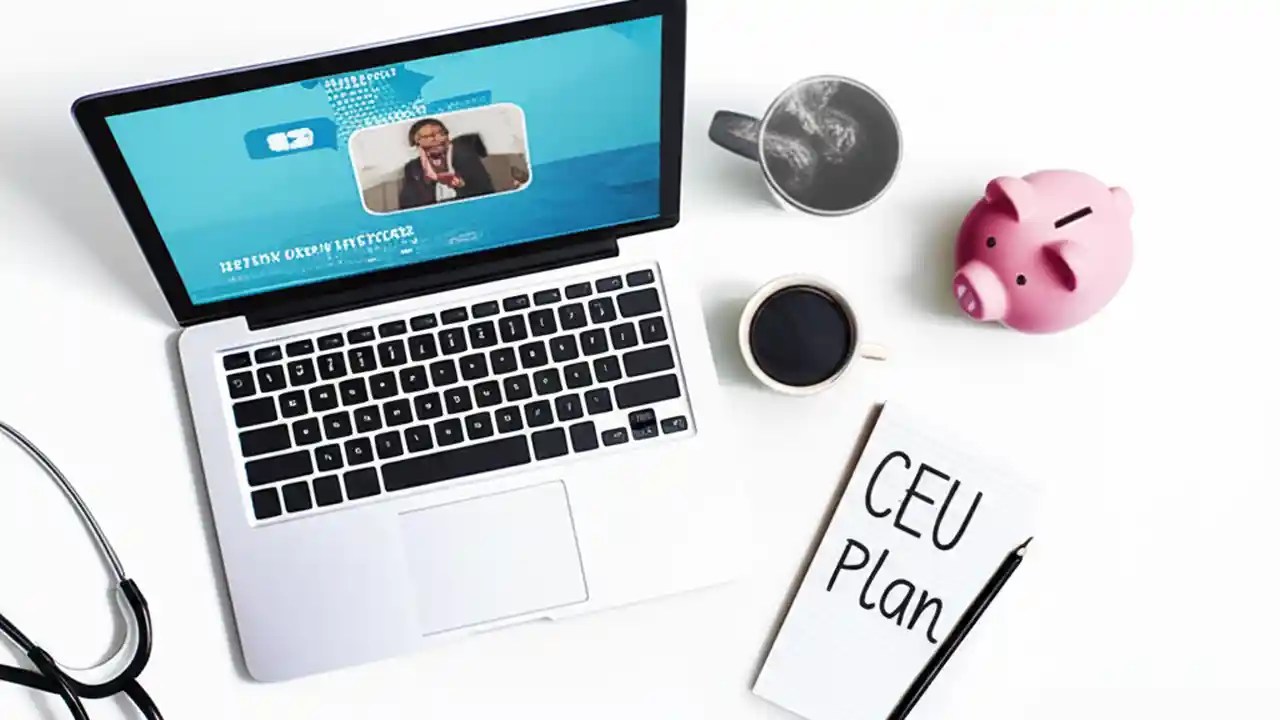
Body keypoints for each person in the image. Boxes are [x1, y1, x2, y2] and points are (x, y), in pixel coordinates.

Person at [398, 117, 496, 210]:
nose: (437, 139)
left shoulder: (464, 154)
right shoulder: (413, 168)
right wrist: (429, 181)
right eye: (428, 136)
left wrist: (460, 185)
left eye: (441, 133)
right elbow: (409, 206)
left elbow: (485, 192)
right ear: (416, 143)